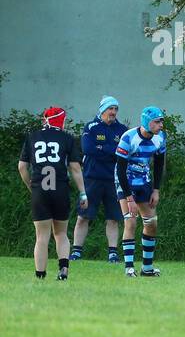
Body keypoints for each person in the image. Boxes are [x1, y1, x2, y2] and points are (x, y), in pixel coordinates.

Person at [18, 107, 87, 280]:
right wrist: (83, 193)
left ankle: (40, 275)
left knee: (41, 236)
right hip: (60, 190)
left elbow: (22, 167)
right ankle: (63, 269)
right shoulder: (67, 138)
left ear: (45, 119)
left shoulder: (32, 137)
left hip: (40, 190)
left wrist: (31, 185)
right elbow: (75, 168)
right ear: (61, 120)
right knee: (61, 233)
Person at [71, 96, 127, 262]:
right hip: (91, 178)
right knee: (83, 216)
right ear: (103, 110)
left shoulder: (122, 129)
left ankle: (112, 253)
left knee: (114, 218)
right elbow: (88, 149)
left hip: (113, 180)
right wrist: (111, 151)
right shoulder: (91, 127)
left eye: (116, 109)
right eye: (110, 109)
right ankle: (76, 251)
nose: (113, 112)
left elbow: (123, 153)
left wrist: (102, 148)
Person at [114, 106, 168, 277]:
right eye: (157, 121)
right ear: (147, 122)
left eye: (161, 121)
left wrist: (156, 190)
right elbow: (120, 170)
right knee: (130, 221)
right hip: (125, 182)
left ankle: (147, 268)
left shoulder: (160, 139)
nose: (161, 125)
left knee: (151, 223)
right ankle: (129, 267)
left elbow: (159, 164)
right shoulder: (128, 137)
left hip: (144, 182)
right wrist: (129, 198)